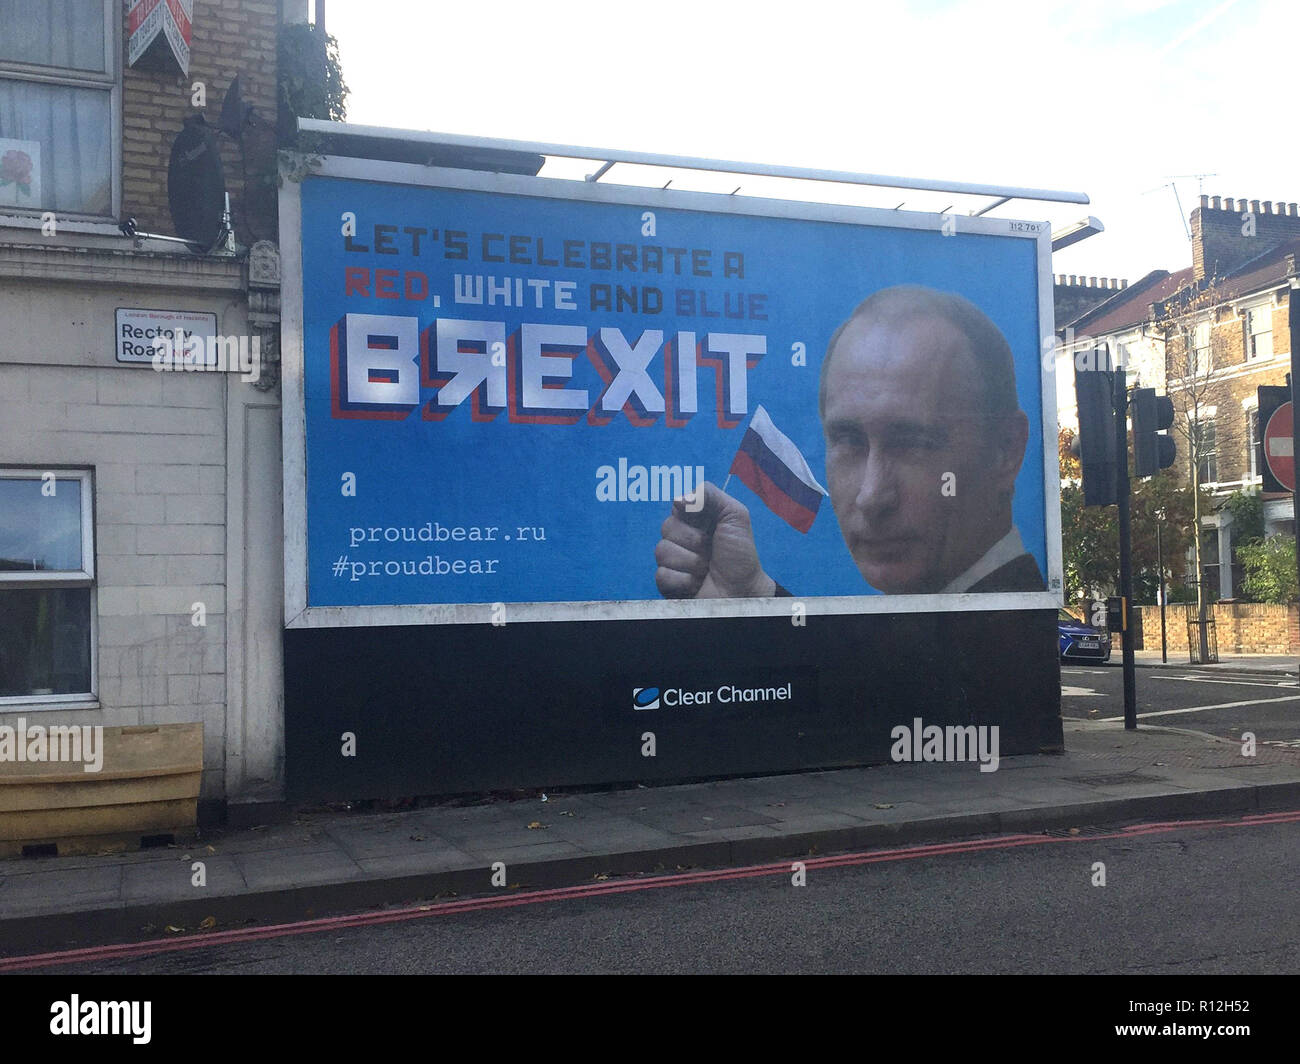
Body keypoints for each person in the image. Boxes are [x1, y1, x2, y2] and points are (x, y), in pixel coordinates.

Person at [653, 284, 1044, 598]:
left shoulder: (1004, 642)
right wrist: (750, 594)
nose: (872, 497)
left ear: (1005, 451)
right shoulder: (937, 620)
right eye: (849, 440)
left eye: (913, 443)